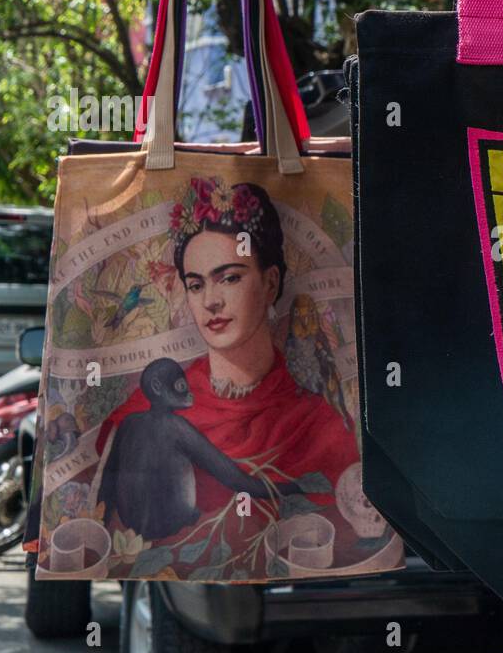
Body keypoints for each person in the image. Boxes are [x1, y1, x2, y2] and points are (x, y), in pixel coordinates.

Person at [94, 177, 391, 576]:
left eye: (229, 277)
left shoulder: (317, 418)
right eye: (196, 285)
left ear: (271, 283)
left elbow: (346, 538)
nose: (211, 300)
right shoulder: (147, 405)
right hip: (170, 591)